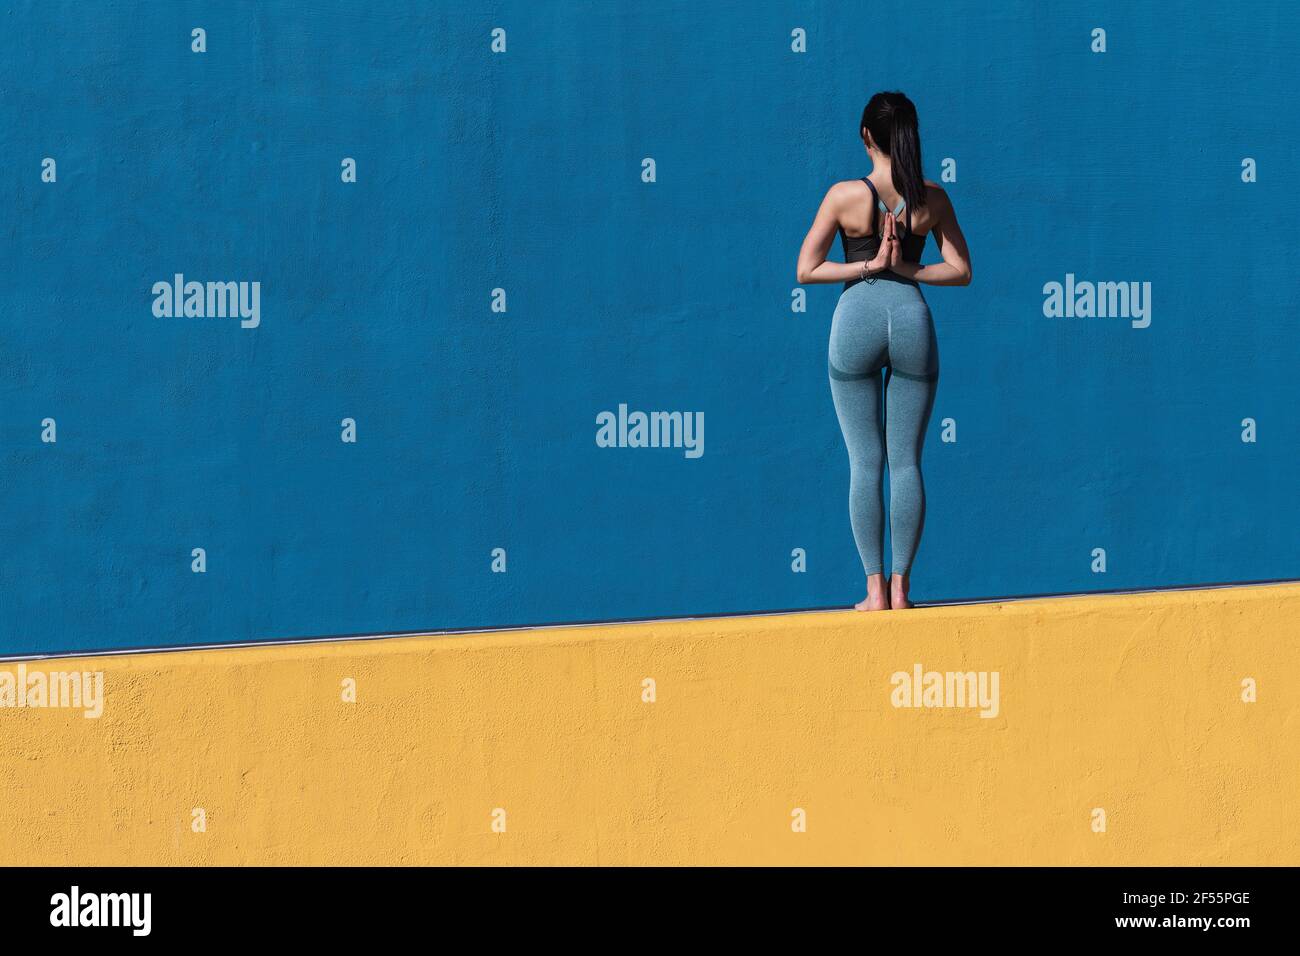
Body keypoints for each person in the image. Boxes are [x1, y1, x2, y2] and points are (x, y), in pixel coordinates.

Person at [795, 91, 972, 610]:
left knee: (864, 462)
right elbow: (961, 271)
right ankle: (902, 590)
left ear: (866, 137)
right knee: (907, 463)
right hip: (912, 318)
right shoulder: (932, 198)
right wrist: (906, 269)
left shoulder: (844, 196)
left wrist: (868, 266)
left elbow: (807, 269)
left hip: (857, 319)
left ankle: (873, 591)